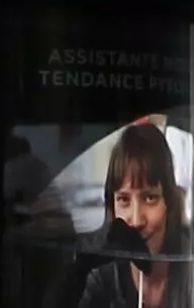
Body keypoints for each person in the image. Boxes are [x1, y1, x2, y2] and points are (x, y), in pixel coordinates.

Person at [61, 121, 182, 308]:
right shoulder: (103, 274)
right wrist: (77, 273)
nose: (135, 220)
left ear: (169, 202)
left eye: (150, 198)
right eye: (124, 200)